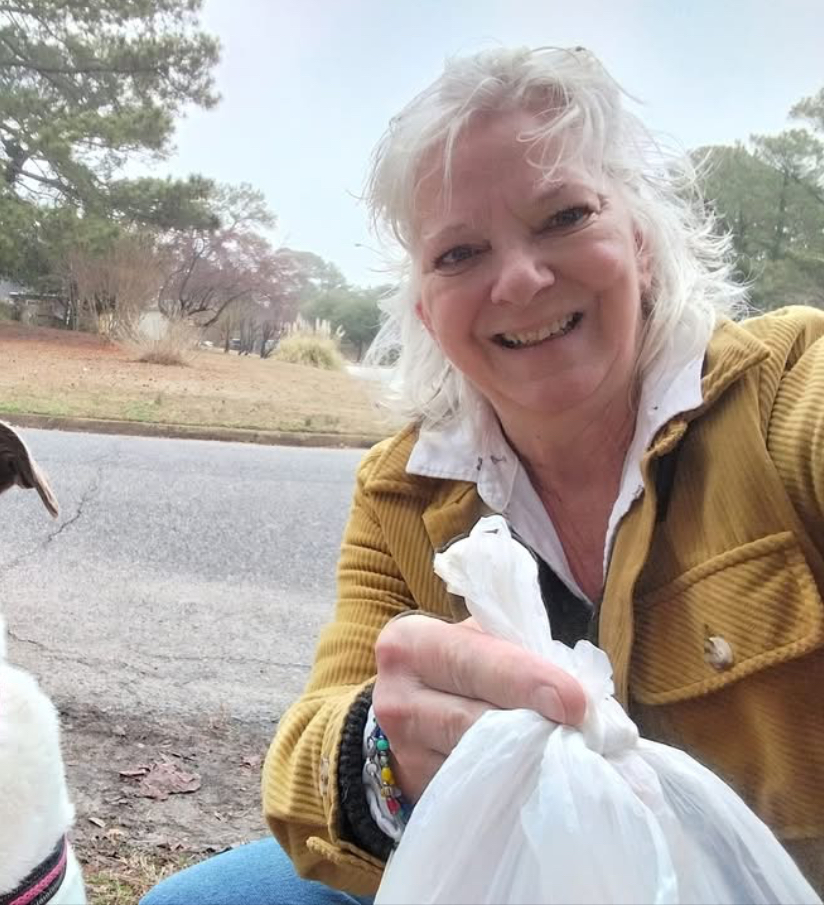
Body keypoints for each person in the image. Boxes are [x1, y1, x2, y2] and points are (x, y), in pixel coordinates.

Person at [142, 45, 824, 904]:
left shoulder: (786, 400)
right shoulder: (405, 494)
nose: (521, 280)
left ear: (643, 244)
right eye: (460, 254)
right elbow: (304, 766)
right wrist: (387, 753)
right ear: (428, 310)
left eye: (565, 217)